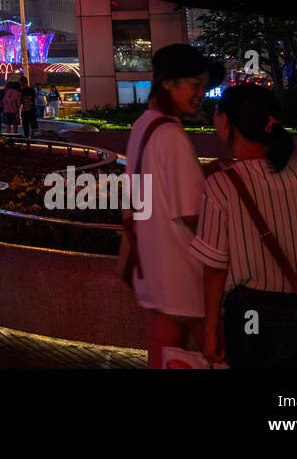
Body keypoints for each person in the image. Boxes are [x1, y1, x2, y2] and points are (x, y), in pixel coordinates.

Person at [190, 84, 297, 369]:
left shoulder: (220, 185)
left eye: (217, 112)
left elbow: (215, 267)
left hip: (254, 316)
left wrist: (210, 332)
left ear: (227, 122)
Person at [124, 44, 225, 368]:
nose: (202, 94)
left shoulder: (143, 125)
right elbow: (196, 215)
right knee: (222, 352)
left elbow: (146, 192)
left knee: (165, 355)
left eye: (204, 87)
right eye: (195, 85)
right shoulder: (171, 135)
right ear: (168, 83)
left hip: (155, 273)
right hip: (188, 279)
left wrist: (199, 174)